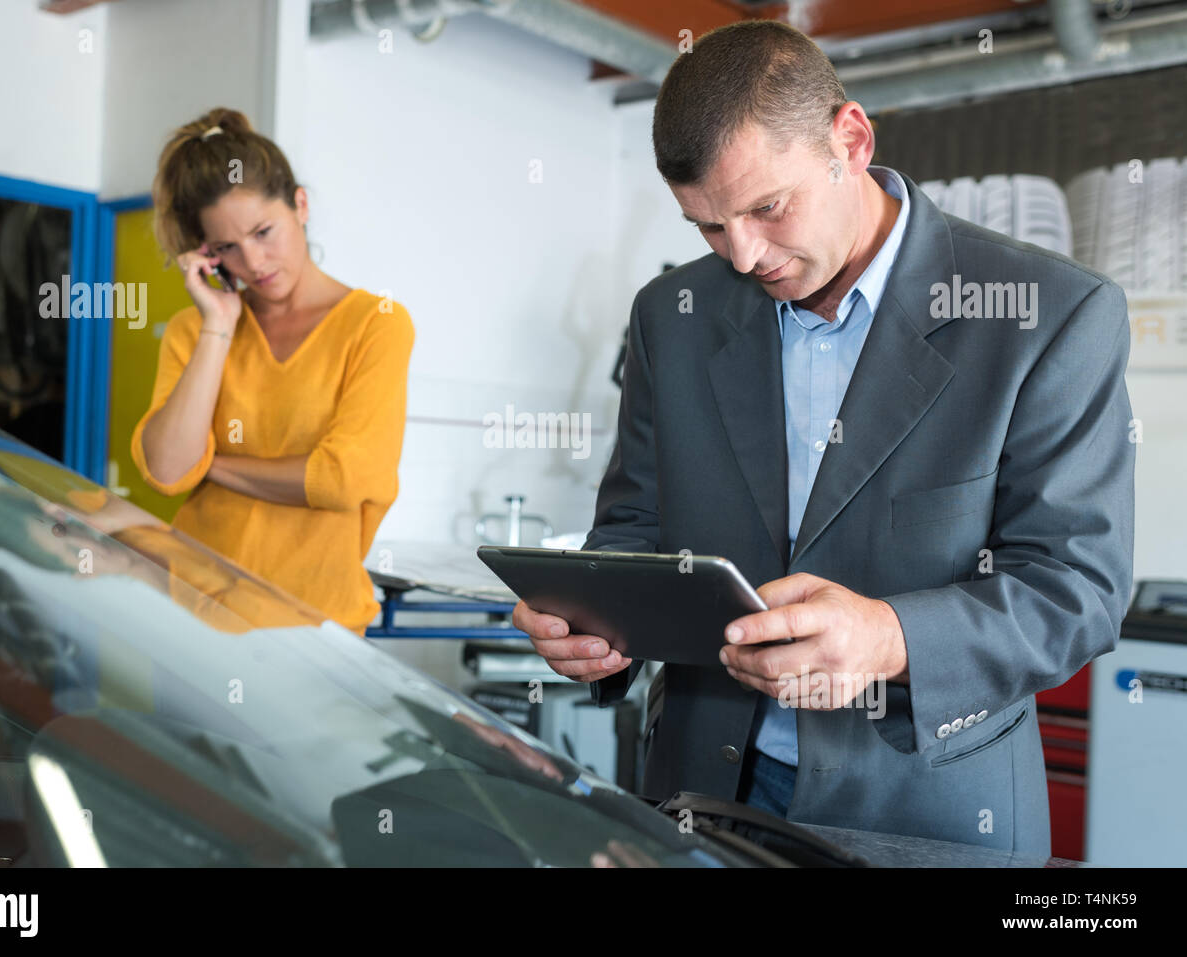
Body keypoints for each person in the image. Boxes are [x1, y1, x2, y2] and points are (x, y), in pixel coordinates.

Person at [511, 21, 1134, 856]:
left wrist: (888, 636)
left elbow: (1078, 589)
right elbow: (634, 534)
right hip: (705, 792)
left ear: (851, 139)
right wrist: (595, 627)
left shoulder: (1047, 316)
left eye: (768, 208)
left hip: (927, 810)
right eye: (707, 226)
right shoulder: (674, 317)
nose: (742, 256)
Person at [132, 108, 414, 635]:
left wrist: (209, 464)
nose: (254, 262)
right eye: (226, 249)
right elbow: (169, 471)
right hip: (190, 617)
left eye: (264, 231)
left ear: (300, 205)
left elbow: (341, 479)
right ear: (207, 255)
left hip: (314, 631)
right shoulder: (192, 332)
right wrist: (219, 324)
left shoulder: (377, 324)